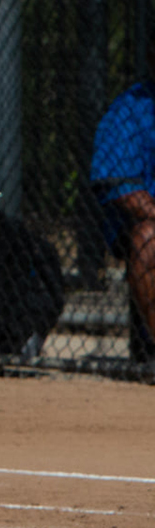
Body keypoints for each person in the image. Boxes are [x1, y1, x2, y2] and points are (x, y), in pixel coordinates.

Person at [91, 45, 155, 364]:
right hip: (151, 224)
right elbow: (122, 187)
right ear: (151, 55)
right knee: (146, 240)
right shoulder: (130, 109)